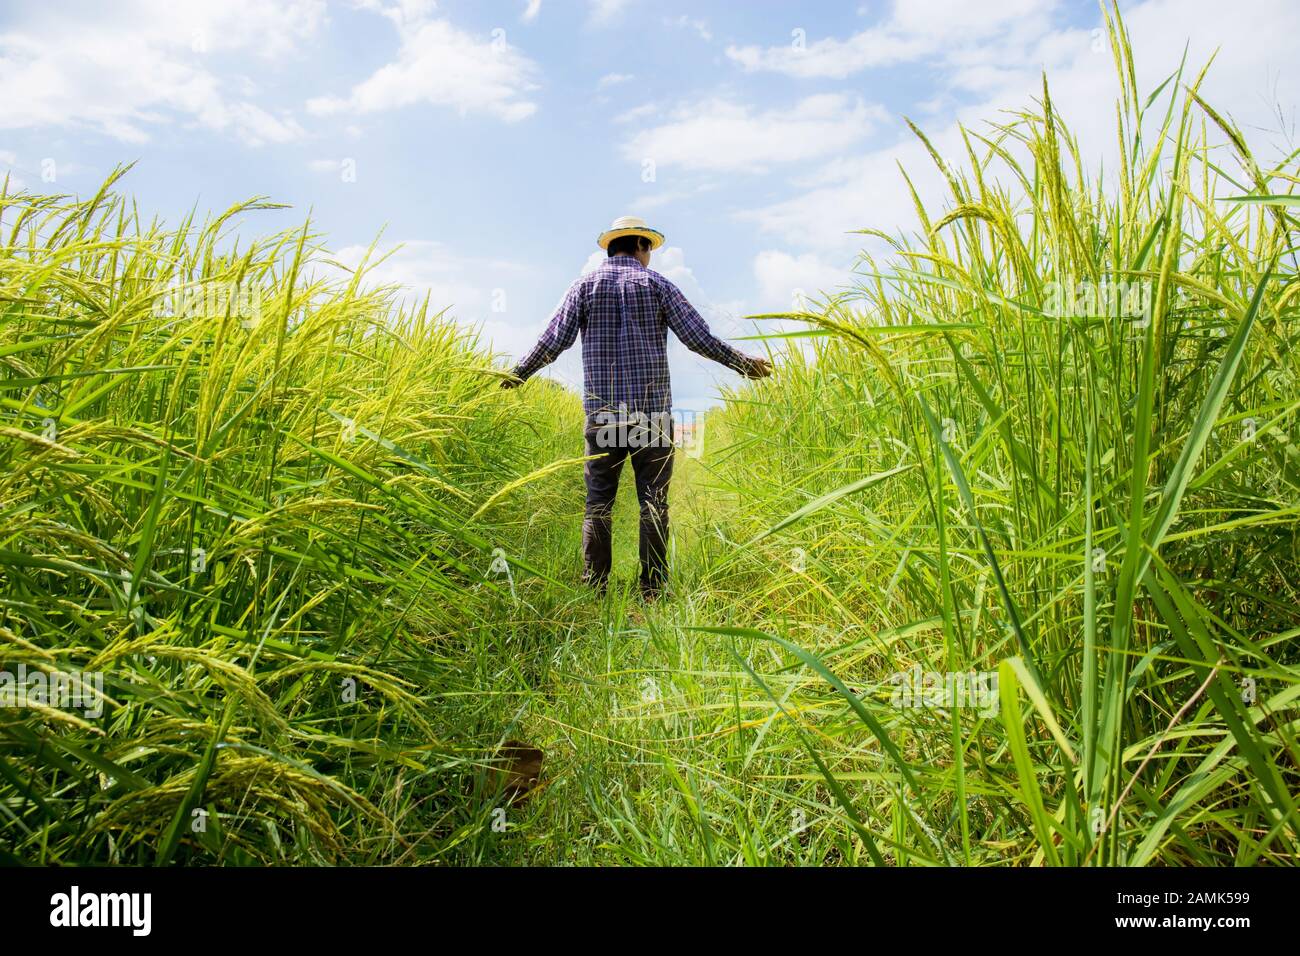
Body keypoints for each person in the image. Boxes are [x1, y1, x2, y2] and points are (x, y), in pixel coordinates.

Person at [501, 216, 772, 600]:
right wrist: (745, 364)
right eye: (650, 250)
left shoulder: (584, 287)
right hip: (651, 417)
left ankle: (594, 589)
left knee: (598, 504)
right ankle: (653, 590)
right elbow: (698, 339)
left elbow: (551, 341)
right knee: (654, 504)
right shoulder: (657, 285)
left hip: (603, 416)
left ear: (613, 247)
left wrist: (518, 374)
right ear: (641, 246)